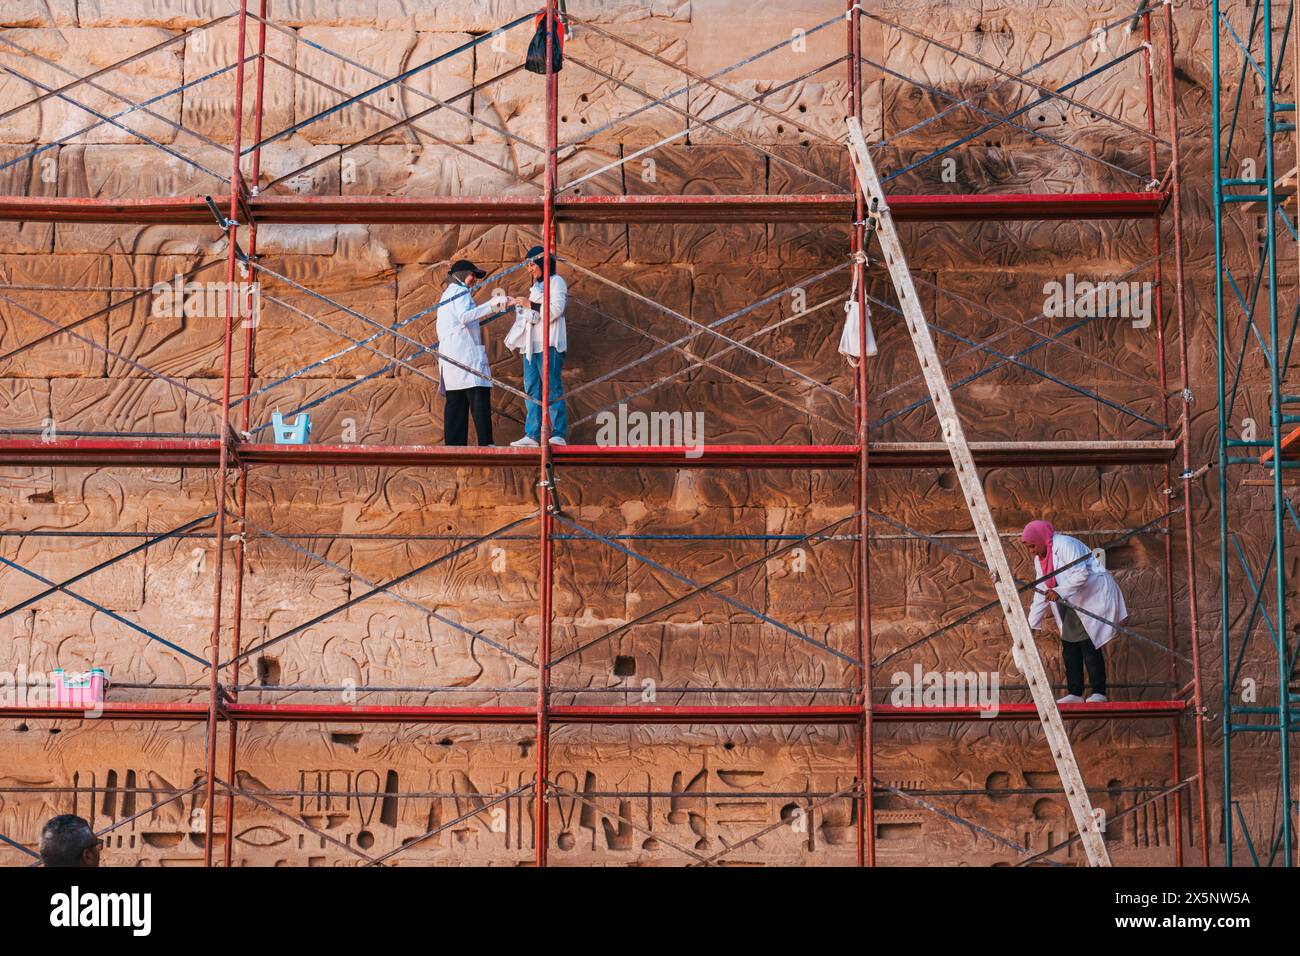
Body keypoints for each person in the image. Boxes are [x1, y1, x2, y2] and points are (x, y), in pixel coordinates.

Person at [1021, 519, 1127, 704]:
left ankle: (1098, 692)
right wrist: (1029, 626)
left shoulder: (1065, 544)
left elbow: (1081, 574)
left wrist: (1058, 591)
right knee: (1070, 647)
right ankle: (1075, 692)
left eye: (1032, 546)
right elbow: (1041, 590)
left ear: (1040, 539)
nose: (1032, 551)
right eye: (1029, 548)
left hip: (1090, 597)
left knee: (1088, 644)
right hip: (1071, 602)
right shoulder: (1041, 559)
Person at [504, 245, 568, 447]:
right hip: (531, 346)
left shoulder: (556, 282)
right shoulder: (535, 288)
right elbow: (534, 316)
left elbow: (555, 310)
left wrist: (528, 305)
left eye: (531, 264)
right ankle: (532, 435)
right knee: (531, 388)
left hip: (549, 344)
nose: (529, 269)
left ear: (542, 262)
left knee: (552, 388)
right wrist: (520, 306)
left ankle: (558, 433)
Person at [436, 259, 497, 446]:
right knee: (479, 398)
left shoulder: (446, 294)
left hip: (451, 359)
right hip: (466, 358)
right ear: (461, 274)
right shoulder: (460, 291)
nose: (474, 280)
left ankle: (454, 447)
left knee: (456, 404)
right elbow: (464, 316)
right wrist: (494, 304)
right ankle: (486, 444)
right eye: (472, 275)